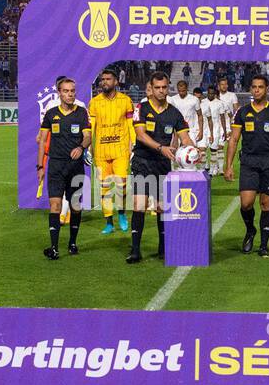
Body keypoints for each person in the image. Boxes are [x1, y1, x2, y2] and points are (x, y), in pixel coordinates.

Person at [126, 71, 194, 264]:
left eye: (164, 87)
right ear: (151, 88)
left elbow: (185, 137)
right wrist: (160, 147)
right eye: (157, 88)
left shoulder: (174, 113)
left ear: (168, 87)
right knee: (139, 205)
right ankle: (135, 250)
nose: (161, 91)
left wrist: (192, 149)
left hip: (163, 164)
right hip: (142, 161)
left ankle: (163, 248)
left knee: (162, 208)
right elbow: (140, 135)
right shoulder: (141, 108)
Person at [224, 74, 269, 257]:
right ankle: (250, 230)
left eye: (260, 87)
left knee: (266, 203)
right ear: (250, 89)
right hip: (248, 162)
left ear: (267, 89)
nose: (256, 90)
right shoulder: (242, 112)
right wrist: (228, 165)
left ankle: (263, 245)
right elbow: (234, 139)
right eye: (254, 87)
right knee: (246, 204)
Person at [36, 76, 91, 260]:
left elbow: (88, 136)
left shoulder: (82, 113)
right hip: (56, 166)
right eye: (66, 91)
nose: (70, 94)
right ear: (59, 93)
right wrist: (40, 166)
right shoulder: (51, 114)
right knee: (55, 205)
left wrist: (81, 147)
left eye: (72, 91)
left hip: (75, 167)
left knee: (75, 206)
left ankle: (72, 243)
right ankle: (53, 247)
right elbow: (42, 141)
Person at [87, 68, 134, 235]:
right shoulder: (94, 102)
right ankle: (108, 222)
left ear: (116, 81)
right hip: (100, 150)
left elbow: (130, 125)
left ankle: (121, 214)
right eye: (102, 79)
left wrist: (133, 143)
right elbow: (91, 126)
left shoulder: (126, 100)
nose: (104, 82)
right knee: (104, 187)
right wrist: (87, 146)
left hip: (120, 149)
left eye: (108, 79)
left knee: (121, 183)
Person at [199, 86, 229, 176]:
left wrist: (224, 130)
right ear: (207, 93)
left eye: (212, 93)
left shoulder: (219, 103)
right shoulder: (202, 103)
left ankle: (212, 170)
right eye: (209, 93)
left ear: (215, 94)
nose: (210, 95)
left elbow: (222, 118)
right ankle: (203, 169)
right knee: (202, 149)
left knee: (213, 149)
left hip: (216, 129)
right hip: (204, 129)